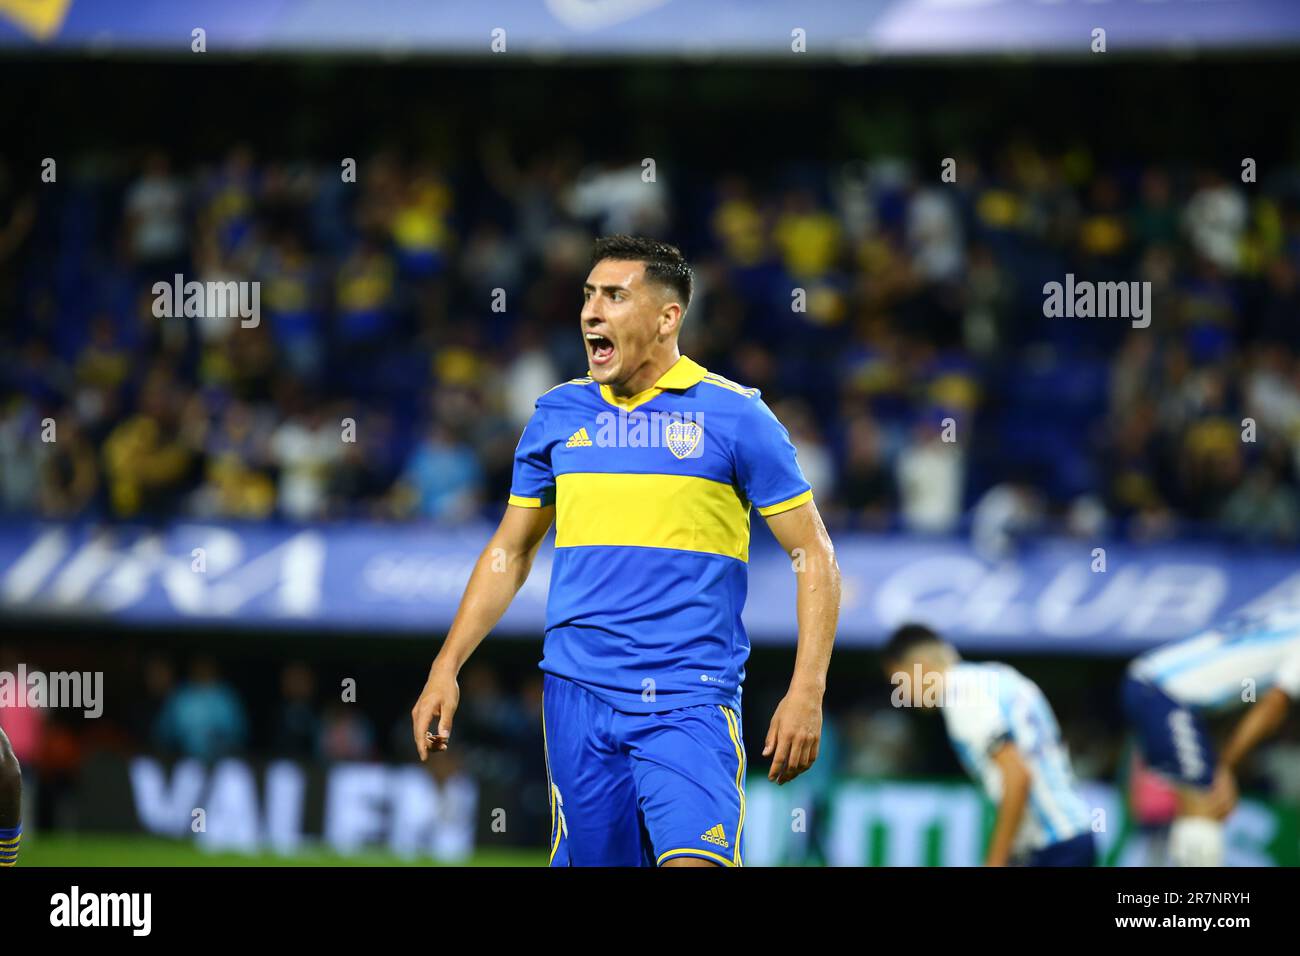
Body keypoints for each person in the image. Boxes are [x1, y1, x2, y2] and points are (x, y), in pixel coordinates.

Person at [411, 235, 840, 867]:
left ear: (668, 318)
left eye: (615, 296)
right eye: (588, 296)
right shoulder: (556, 415)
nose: (591, 312)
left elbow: (815, 556)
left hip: (688, 695)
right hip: (575, 694)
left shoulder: (736, 416)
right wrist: (446, 666)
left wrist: (808, 687)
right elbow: (510, 551)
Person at [881, 623, 1096, 866]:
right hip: (1073, 834)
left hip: (1053, 846)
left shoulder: (962, 699)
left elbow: (1017, 777)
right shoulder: (998, 676)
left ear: (921, 666)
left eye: (899, 681)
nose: (903, 694)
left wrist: (995, 860)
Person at [1123, 583, 1300, 865]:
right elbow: (1274, 705)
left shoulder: (1287, 612)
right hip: (1166, 692)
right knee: (1204, 807)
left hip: (1160, 687)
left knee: (1200, 811)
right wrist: (1226, 765)